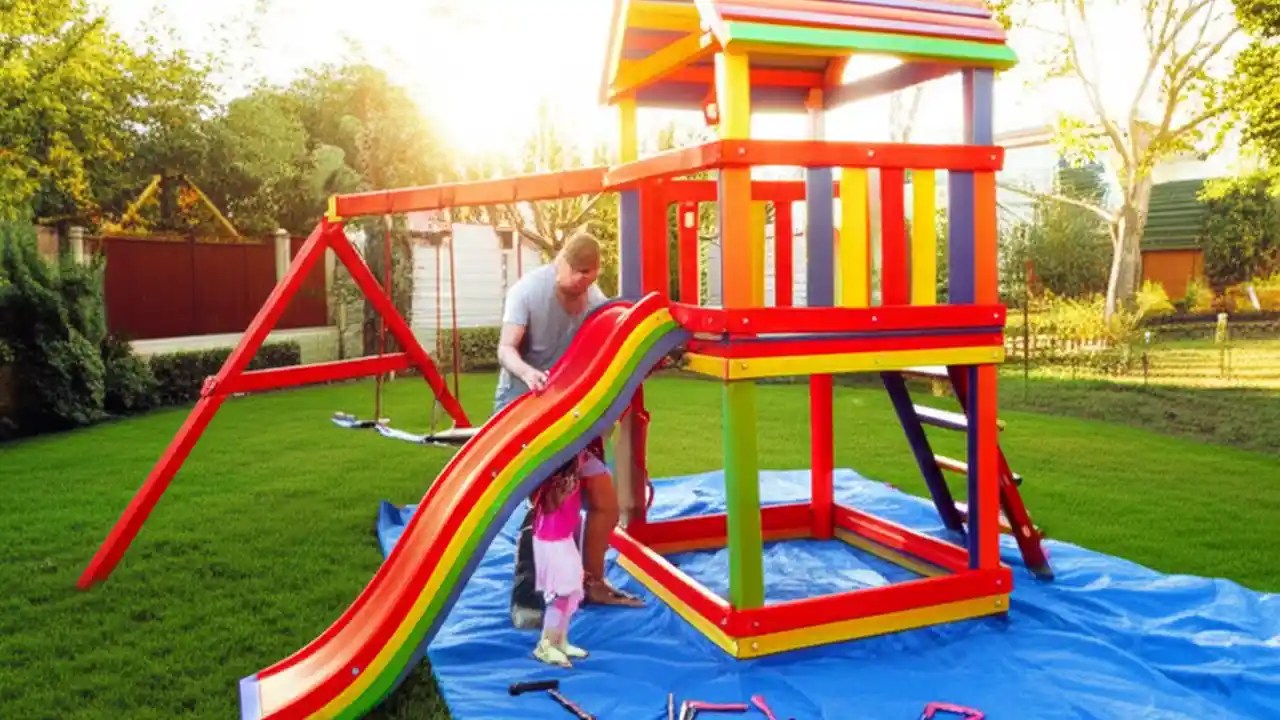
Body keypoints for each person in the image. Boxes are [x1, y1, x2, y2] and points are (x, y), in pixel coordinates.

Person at [494, 232, 645, 630]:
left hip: (569, 415)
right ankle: (526, 598)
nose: (582, 282)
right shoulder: (527, 291)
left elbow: (614, 344)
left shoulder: (595, 300)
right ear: (559, 261)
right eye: (577, 273)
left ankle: (591, 582)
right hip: (523, 408)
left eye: (590, 276)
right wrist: (527, 373)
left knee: (605, 503)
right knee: (547, 502)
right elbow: (506, 349)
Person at [529, 456, 588, 667]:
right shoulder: (554, 478)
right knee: (561, 593)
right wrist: (563, 487)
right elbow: (549, 504)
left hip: (562, 538)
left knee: (572, 591)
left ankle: (559, 640)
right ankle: (545, 645)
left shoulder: (572, 471)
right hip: (551, 541)